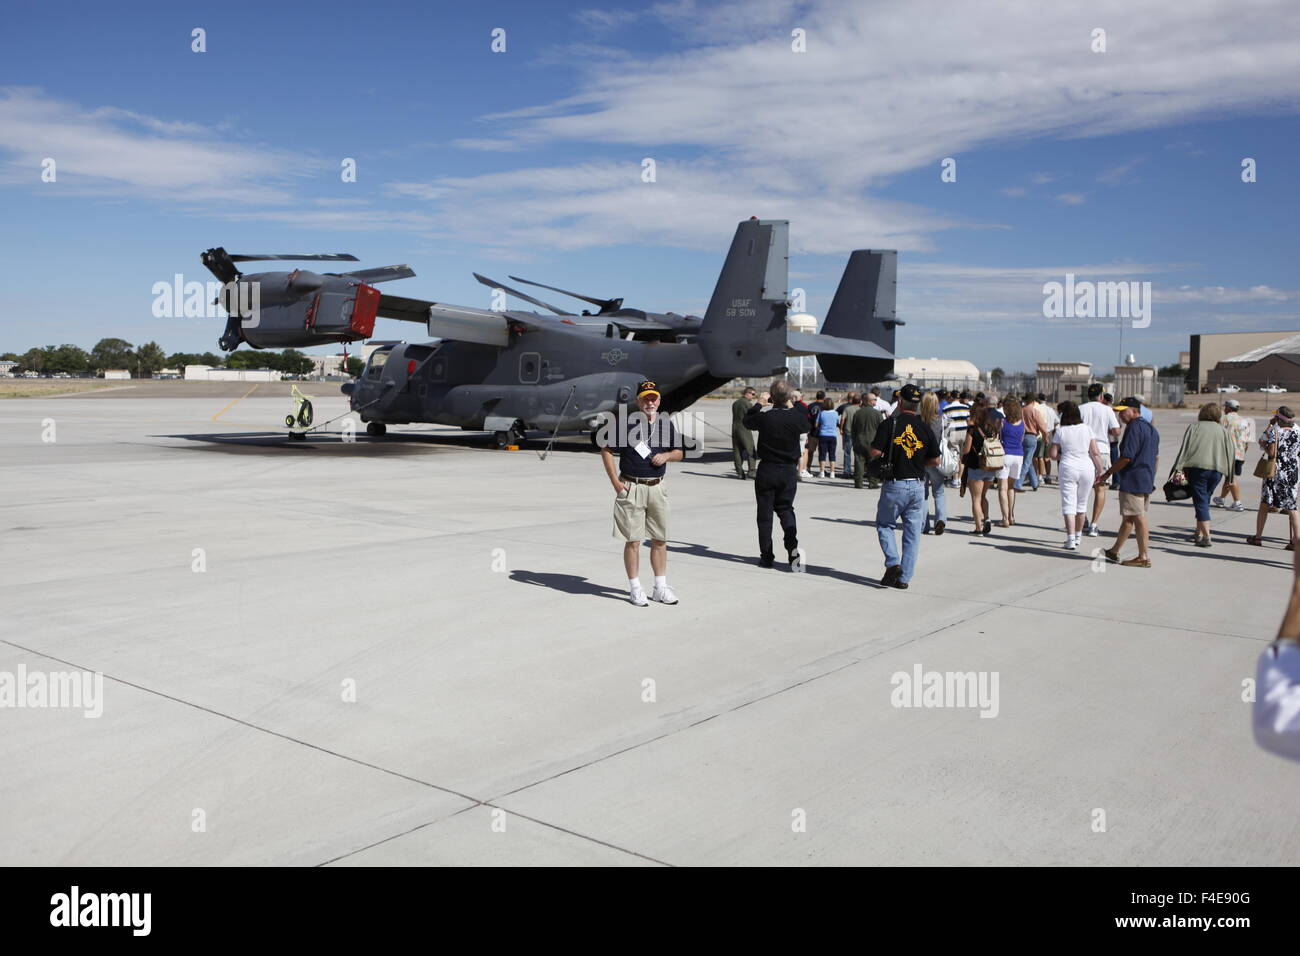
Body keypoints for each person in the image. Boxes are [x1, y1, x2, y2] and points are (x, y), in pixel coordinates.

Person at [599, 380, 684, 606]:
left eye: (653, 397)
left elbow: (679, 452)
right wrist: (615, 482)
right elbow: (606, 449)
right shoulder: (625, 424)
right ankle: (635, 588)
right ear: (638, 401)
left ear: (659, 400)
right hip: (632, 487)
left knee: (660, 539)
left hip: (657, 487)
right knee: (634, 541)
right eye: (645, 398)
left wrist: (667, 456)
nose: (650, 402)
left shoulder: (666, 425)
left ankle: (660, 587)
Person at [868, 383, 941, 588]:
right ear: (917, 405)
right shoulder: (925, 427)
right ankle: (904, 578)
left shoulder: (890, 424)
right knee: (912, 534)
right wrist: (918, 462)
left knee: (885, 524)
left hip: (895, 484)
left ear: (900, 402)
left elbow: (875, 452)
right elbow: (936, 460)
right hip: (918, 485)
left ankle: (893, 562)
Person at [743, 379, 808, 570]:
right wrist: (790, 403)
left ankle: (766, 556)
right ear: (788, 397)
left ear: (771, 397)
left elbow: (747, 421)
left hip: (767, 468)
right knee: (786, 510)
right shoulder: (795, 417)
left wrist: (759, 404)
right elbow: (806, 425)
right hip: (788, 470)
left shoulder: (765, 417)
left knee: (764, 515)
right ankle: (793, 553)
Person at [1097, 398, 1159, 568]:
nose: (1120, 415)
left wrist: (1108, 473)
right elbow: (1156, 457)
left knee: (1138, 517)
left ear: (1134, 410)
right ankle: (1115, 551)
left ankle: (1143, 556)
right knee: (1129, 517)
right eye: (1119, 412)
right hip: (1146, 478)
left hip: (1133, 479)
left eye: (1123, 411)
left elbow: (1126, 457)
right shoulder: (1151, 429)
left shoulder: (1134, 428)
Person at [1170, 402, 1235, 548]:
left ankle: (1207, 536)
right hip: (1217, 471)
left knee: (1200, 502)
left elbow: (1185, 448)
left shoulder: (1194, 427)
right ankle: (1198, 532)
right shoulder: (1223, 431)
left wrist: (1177, 468)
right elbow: (1230, 453)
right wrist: (1230, 477)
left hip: (1198, 470)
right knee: (1204, 500)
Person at [1049, 400, 1105, 550]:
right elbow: (1095, 452)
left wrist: (1064, 456)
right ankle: (1079, 536)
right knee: (1082, 505)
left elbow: (1053, 454)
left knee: (1069, 505)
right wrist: (1101, 471)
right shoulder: (1087, 429)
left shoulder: (1061, 430)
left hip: (1068, 467)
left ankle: (1070, 539)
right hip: (1086, 467)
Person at [1248, 407, 1300, 549]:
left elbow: (1270, 451)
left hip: (1275, 471)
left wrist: (1264, 445)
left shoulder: (1274, 430)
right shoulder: (1298, 430)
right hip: (1292, 472)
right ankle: (1296, 540)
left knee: (1265, 504)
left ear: (1278, 418)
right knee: (1292, 507)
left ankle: (1258, 537)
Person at [1080, 383, 1121, 537]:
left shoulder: (1081, 409)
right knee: (1100, 489)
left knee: (1081, 488)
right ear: (1102, 396)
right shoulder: (1107, 409)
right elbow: (1116, 431)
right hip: (1102, 450)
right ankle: (1094, 525)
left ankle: (1083, 519)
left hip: (1084, 450)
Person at [960, 405, 1001, 536]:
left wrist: (962, 457)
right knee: (983, 496)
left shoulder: (972, 430)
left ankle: (978, 529)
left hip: (976, 467)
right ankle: (987, 518)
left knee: (976, 499)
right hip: (990, 466)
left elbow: (966, 450)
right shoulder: (992, 428)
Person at [1213, 398, 1255, 511]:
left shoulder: (1223, 419)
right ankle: (1221, 498)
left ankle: (1238, 502)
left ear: (1228, 407)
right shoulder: (1245, 421)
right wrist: (1242, 455)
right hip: (1240, 454)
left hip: (1227, 453)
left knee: (1231, 478)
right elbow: (1247, 442)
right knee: (1229, 477)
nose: (1224, 408)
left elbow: (1218, 435)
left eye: (1225, 406)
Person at [919, 392, 947, 534]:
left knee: (923, 493)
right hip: (936, 459)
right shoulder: (942, 420)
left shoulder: (918, 421)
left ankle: (924, 524)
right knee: (939, 491)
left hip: (921, 460)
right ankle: (940, 518)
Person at [996, 396, 1025, 527]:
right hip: (1018, 455)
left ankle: (1005, 518)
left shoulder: (1002, 422)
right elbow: (1022, 439)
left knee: (1002, 488)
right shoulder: (1022, 423)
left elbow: (998, 436)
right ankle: (1011, 515)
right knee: (1011, 487)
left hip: (1005, 454)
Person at [850, 393, 884, 488]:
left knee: (859, 462)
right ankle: (873, 483)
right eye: (874, 400)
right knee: (873, 462)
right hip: (873, 442)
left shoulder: (858, 413)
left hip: (859, 441)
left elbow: (853, 429)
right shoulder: (877, 414)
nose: (876, 401)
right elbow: (882, 430)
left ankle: (858, 482)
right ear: (870, 401)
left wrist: (854, 440)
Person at [942, 390, 971, 488]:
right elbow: (969, 422)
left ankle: (955, 480)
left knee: (954, 456)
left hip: (953, 433)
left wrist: (945, 438)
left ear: (951, 397)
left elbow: (946, 424)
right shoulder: (966, 408)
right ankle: (959, 479)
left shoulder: (947, 408)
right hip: (964, 433)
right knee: (962, 458)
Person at [1014, 393, 1043, 491]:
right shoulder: (1035, 411)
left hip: (1021, 436)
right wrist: (1046, 436)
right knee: (1026, 462)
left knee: (1028, 460)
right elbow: (1042, 426)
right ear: (1034, 401)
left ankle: (1035, 483)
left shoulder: (1020, 411)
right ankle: (1017, 484)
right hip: (1031, 436)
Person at [730, 386, 759, 479]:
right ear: (747, 393)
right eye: (753, 394)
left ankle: (739, 472)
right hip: (744, 429)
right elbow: (753, 416)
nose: (754, 396)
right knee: (751, 451)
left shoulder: (735, 403)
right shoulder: (748, 404)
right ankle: (752, 471)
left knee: (737, 451)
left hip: (734, 429)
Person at [1035, 393, 1059, 486]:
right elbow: (1057, 422)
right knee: (1047, 457)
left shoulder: (1037, 409)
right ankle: (1048, 476)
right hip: (1049, 433)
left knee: (1039, 457)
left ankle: (1040, 476)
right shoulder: (1051, 410)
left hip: (1040, 434)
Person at [838, 391, 859, 478]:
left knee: (847, 453)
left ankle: (847, 471)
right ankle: (857, 472)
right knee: (857, 453)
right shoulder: (860, 409)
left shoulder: (847, 409)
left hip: (848, 432)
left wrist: (841, 428)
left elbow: (842, 419)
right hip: (857, 434)